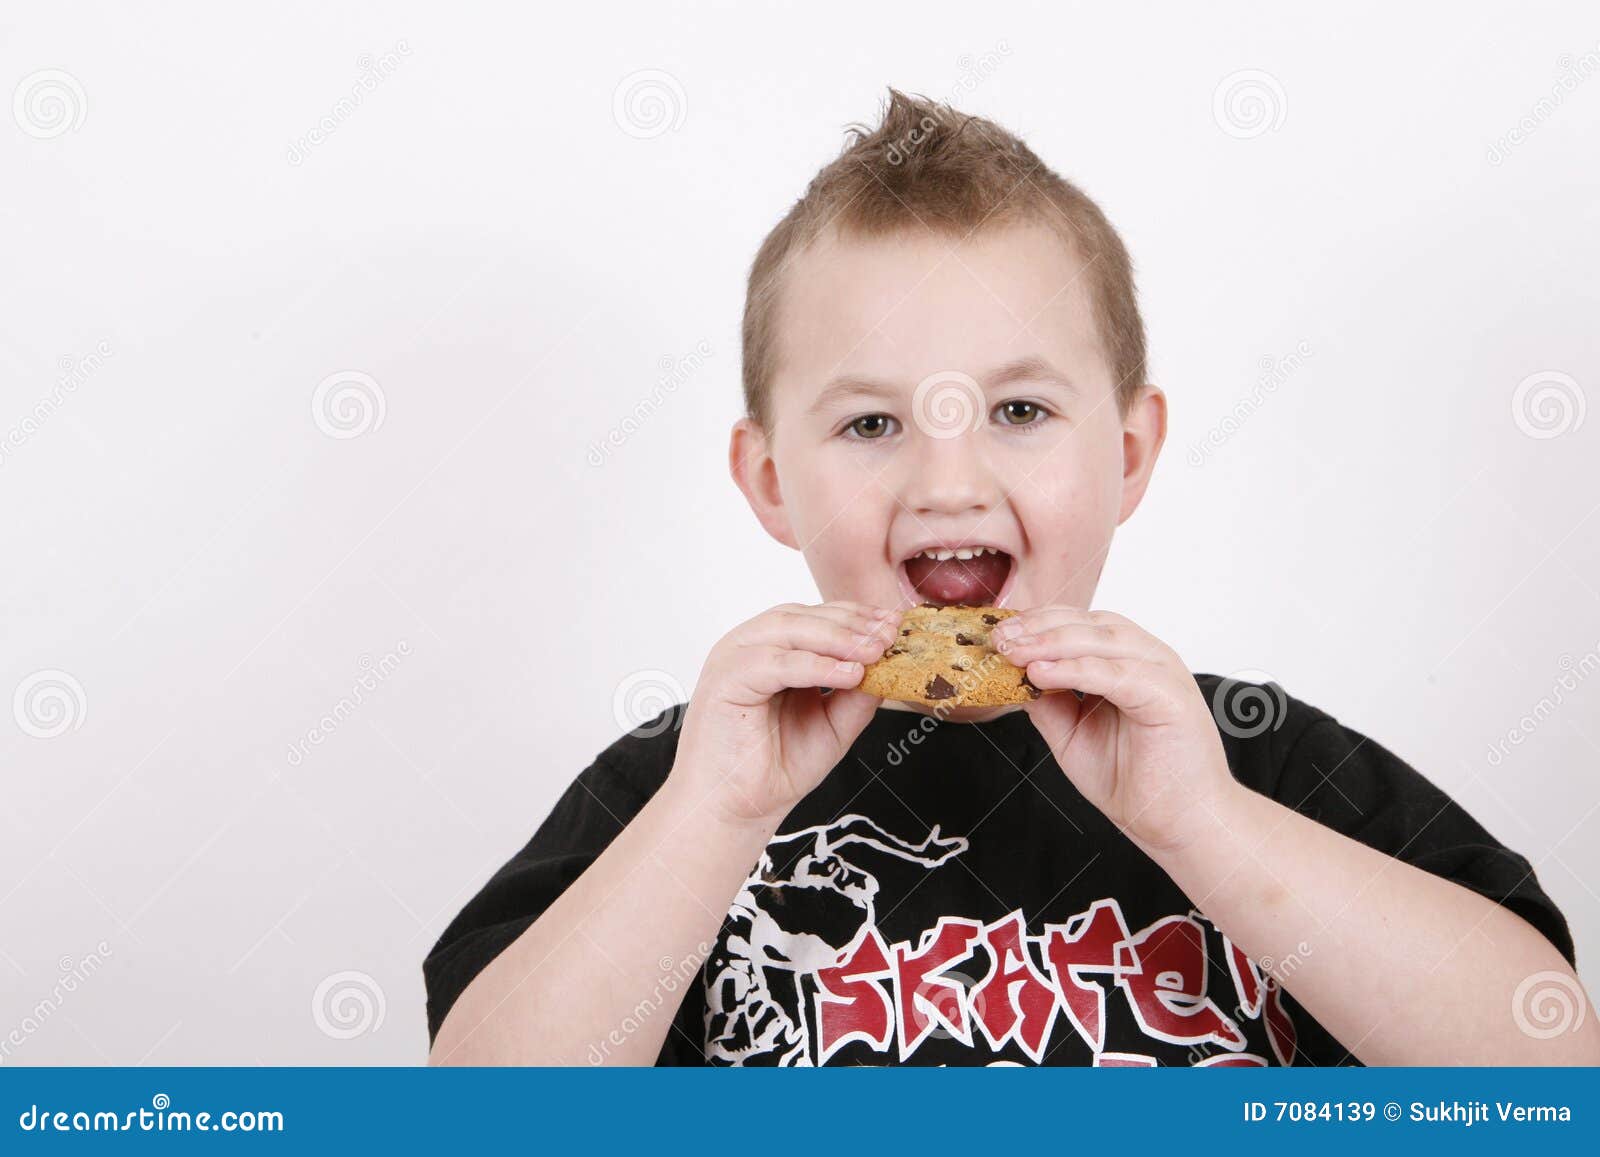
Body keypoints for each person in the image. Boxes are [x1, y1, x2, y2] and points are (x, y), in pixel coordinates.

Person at [423, 89, 1597, 1066]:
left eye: (1020, 409)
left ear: (1128, 453)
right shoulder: (685, 782)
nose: (950, 480)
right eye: (872, 422)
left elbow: (1550, 1068)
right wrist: (708, 817)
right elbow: (475, 1118)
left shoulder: (1253, 757)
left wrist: (1209, 827)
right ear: (770, 479)